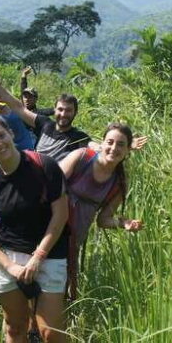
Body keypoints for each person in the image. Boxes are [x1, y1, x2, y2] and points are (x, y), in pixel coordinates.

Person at [0, 115, 69, 343]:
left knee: (51, 334)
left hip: (49, 253)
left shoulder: (45, 166)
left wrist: (38, 256)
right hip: (7, 259)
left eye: (0, 136)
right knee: (15, 328)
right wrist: (10, 265)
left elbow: (61, 214)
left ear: (11, 134)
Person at [58, 122, 144, 299]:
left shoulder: (119, 183)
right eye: (110, 142)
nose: (114, 148)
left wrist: (123, 223)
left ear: (129, 150)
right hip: (49, 229)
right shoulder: (81, 158)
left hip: (73, 241)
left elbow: (103, 220)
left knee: (58, 292)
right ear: (102, 143)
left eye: (121, 145)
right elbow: (50, 185)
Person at [0, 68, 91, 162]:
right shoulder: (45, 124)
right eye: (60, 109)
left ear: (75, 112)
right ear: (55, 110)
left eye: (68, 110)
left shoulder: (79, 137)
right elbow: (18, 107)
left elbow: (93, 147)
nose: (63, 114)